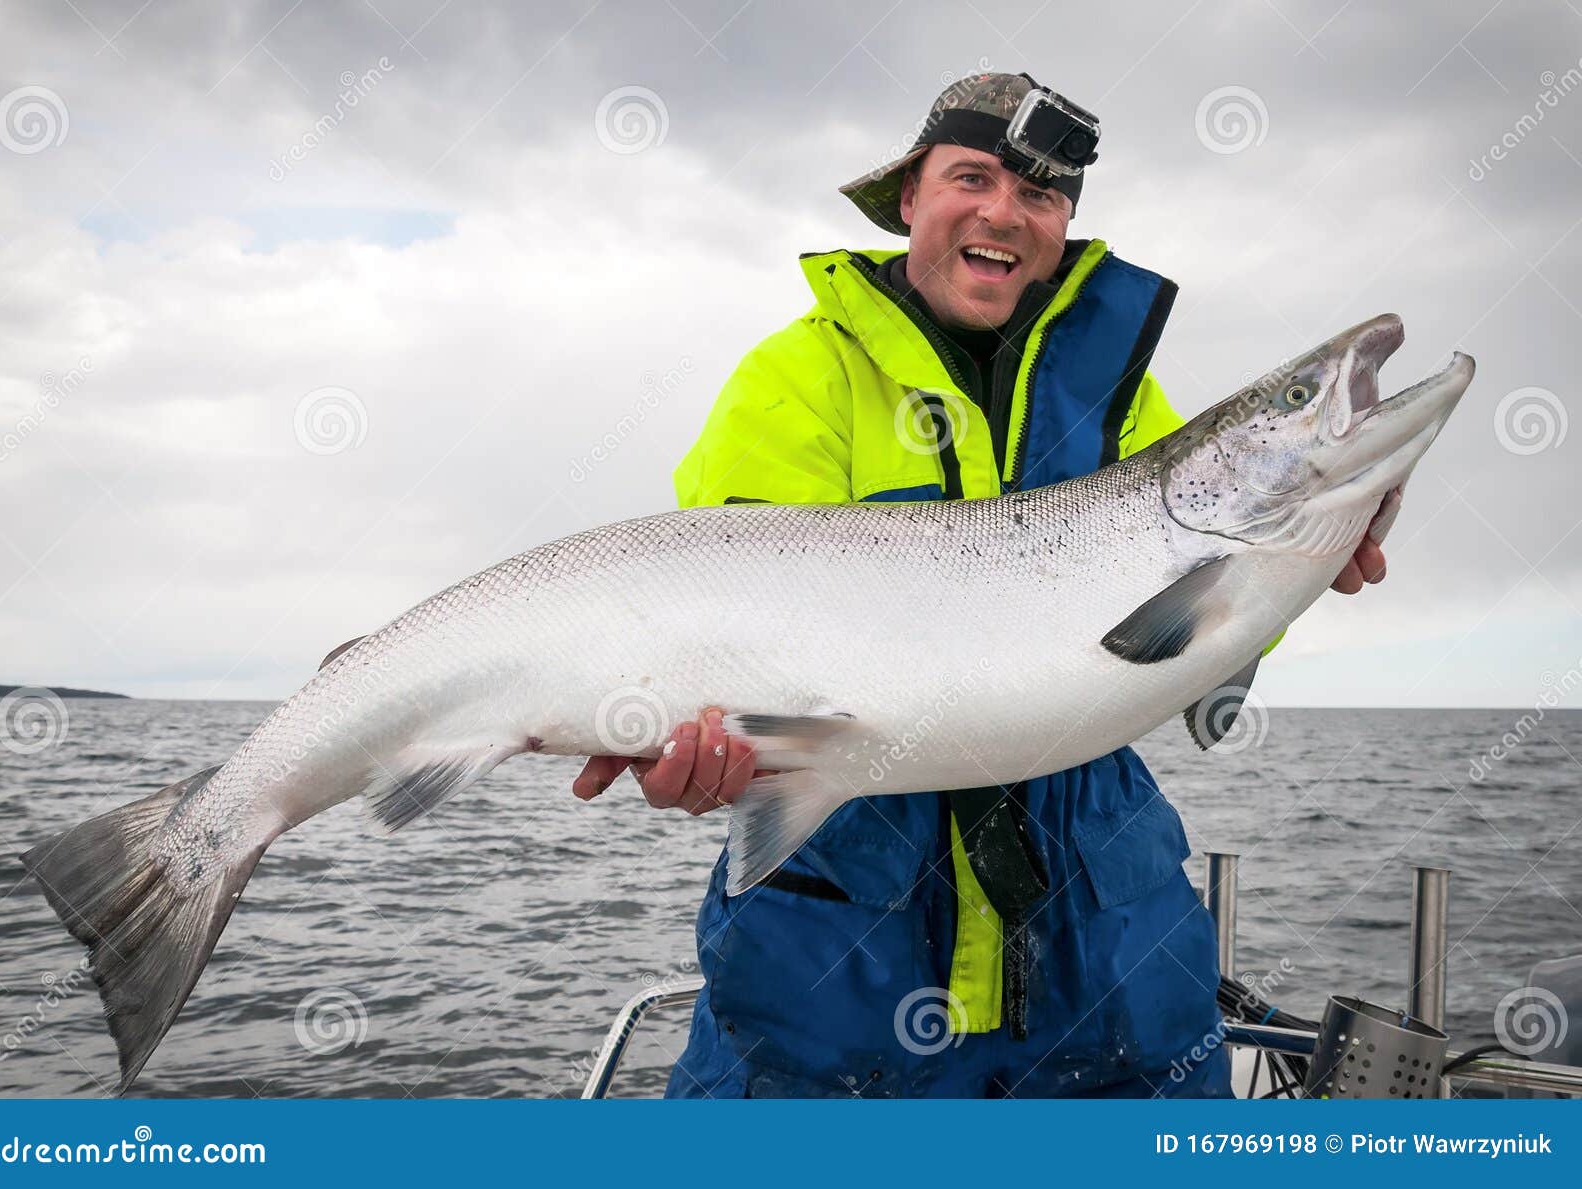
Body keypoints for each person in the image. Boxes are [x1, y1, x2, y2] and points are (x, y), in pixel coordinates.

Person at [572, 72, 1388, 1098]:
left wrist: (1294, 571)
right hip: (843, 954)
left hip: (1108, 949)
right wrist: (706, 744)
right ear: (910, 197)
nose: (1005, 211)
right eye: (974, 177)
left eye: (1041, 194)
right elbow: (733, 636)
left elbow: (1183, 641)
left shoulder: (1123, 401)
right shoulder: (794, 383)